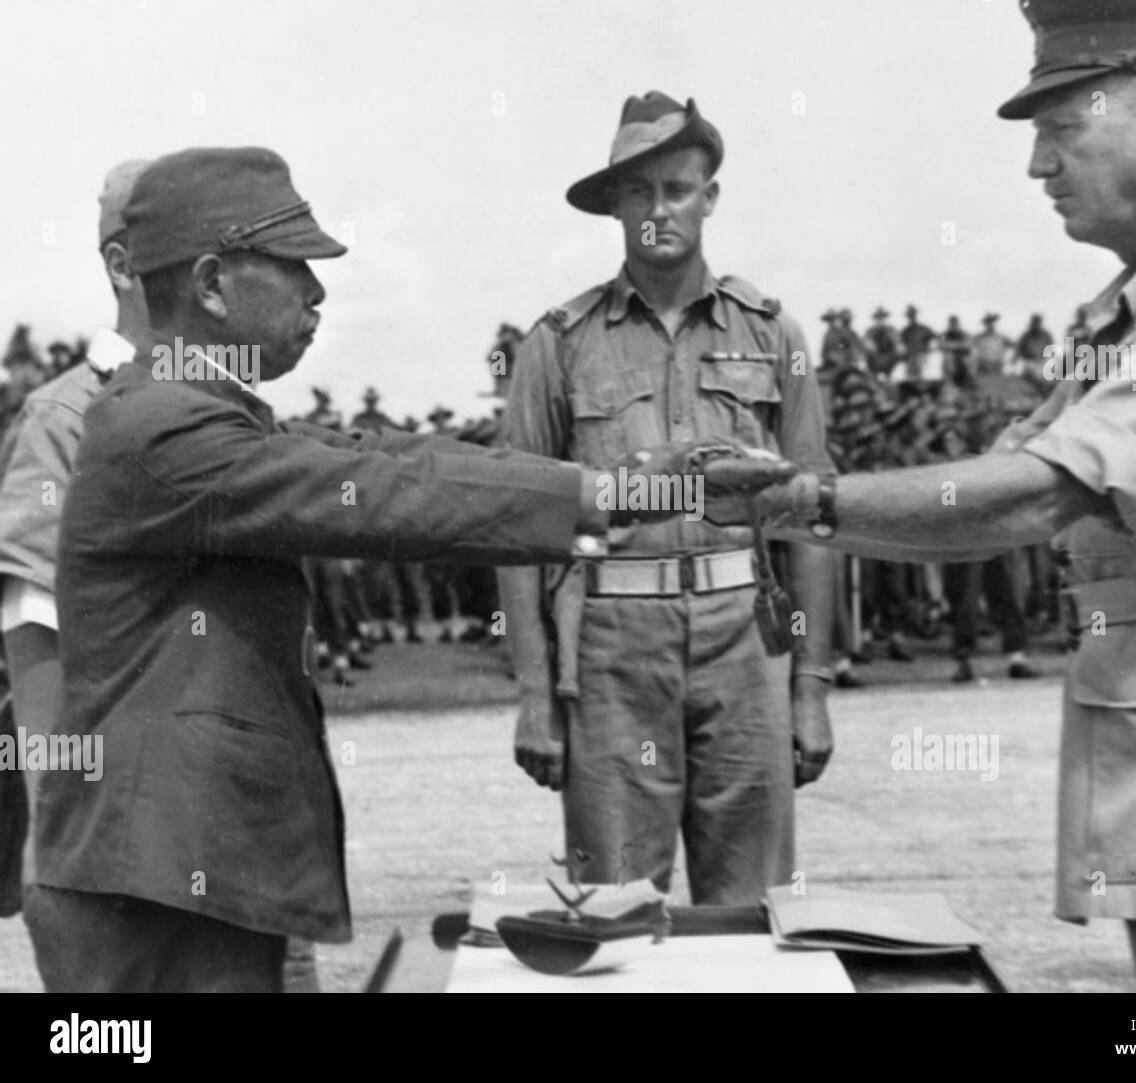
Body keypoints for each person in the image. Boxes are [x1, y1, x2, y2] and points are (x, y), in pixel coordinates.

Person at [22, 145, 760, 993]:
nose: (318, 291)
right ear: (214, 283)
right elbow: (381, 490)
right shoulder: (166, 429)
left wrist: (624, 476)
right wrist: (621, 489)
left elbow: (385, 455)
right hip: (154, 891)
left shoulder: (203, 414)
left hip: (178, 874)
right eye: (293, 265)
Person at [732, 0, 1136, 993]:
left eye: (1059, 129)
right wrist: (798, 502)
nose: (1037, 166)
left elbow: (1028, 500)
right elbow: (975, 518)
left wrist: (802, 501)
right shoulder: (1125, 316)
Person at [498, 91, 836, 905]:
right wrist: (537, 698)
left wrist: (812, 689)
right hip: (613, 649)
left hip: (745, 644)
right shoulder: (557, 343)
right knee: (615, 911)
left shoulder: (773, 335)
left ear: (709, 197)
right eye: (639, 193)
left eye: (677, 189)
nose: (659, 212)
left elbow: (814, 519)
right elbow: (518, 526)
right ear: (614, 205)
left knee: (754, 916)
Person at [0, 160, 150, 918]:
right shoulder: (65, 419)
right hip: (129, 839)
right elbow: (37, 645)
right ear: (122, 264)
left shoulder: (233, 408)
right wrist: (60, 851)